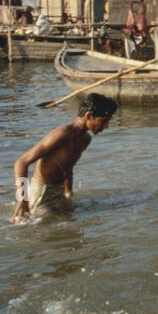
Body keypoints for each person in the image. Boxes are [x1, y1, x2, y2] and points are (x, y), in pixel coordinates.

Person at [12, 93, 117, 222]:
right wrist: (22, 201)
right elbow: (21, 162)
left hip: (58, 192)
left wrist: (68, 192)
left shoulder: (85, 139)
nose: (106, 126)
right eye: (103, 121)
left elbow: (68, 166)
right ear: (88, 115)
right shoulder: (62, 134)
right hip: (41, 194)